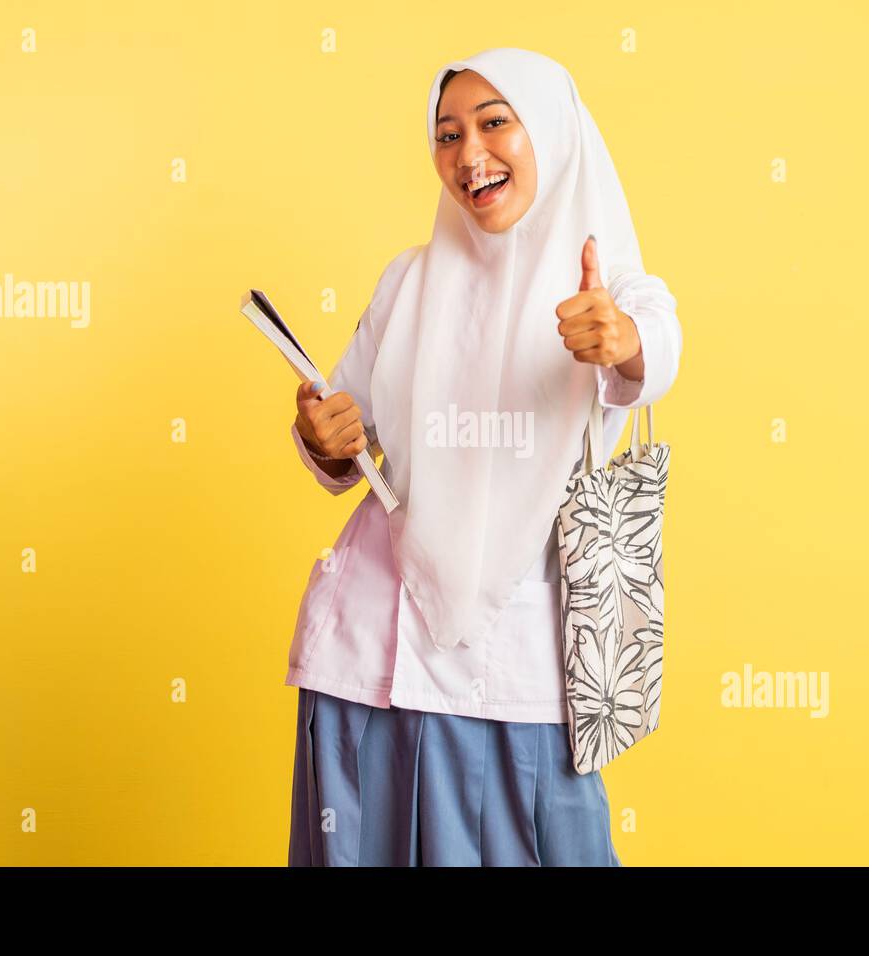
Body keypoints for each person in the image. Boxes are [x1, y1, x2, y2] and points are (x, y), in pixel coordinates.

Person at [285, 47, 682, 866]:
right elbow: (346, 437)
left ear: (553, 132)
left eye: (496, 123)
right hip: (369, 661)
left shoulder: (615, 290)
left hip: (521, 675)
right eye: (446, 134)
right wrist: (323, 442)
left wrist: (622, 342)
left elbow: (653, 356)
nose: (469, 155)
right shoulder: (408, 284)